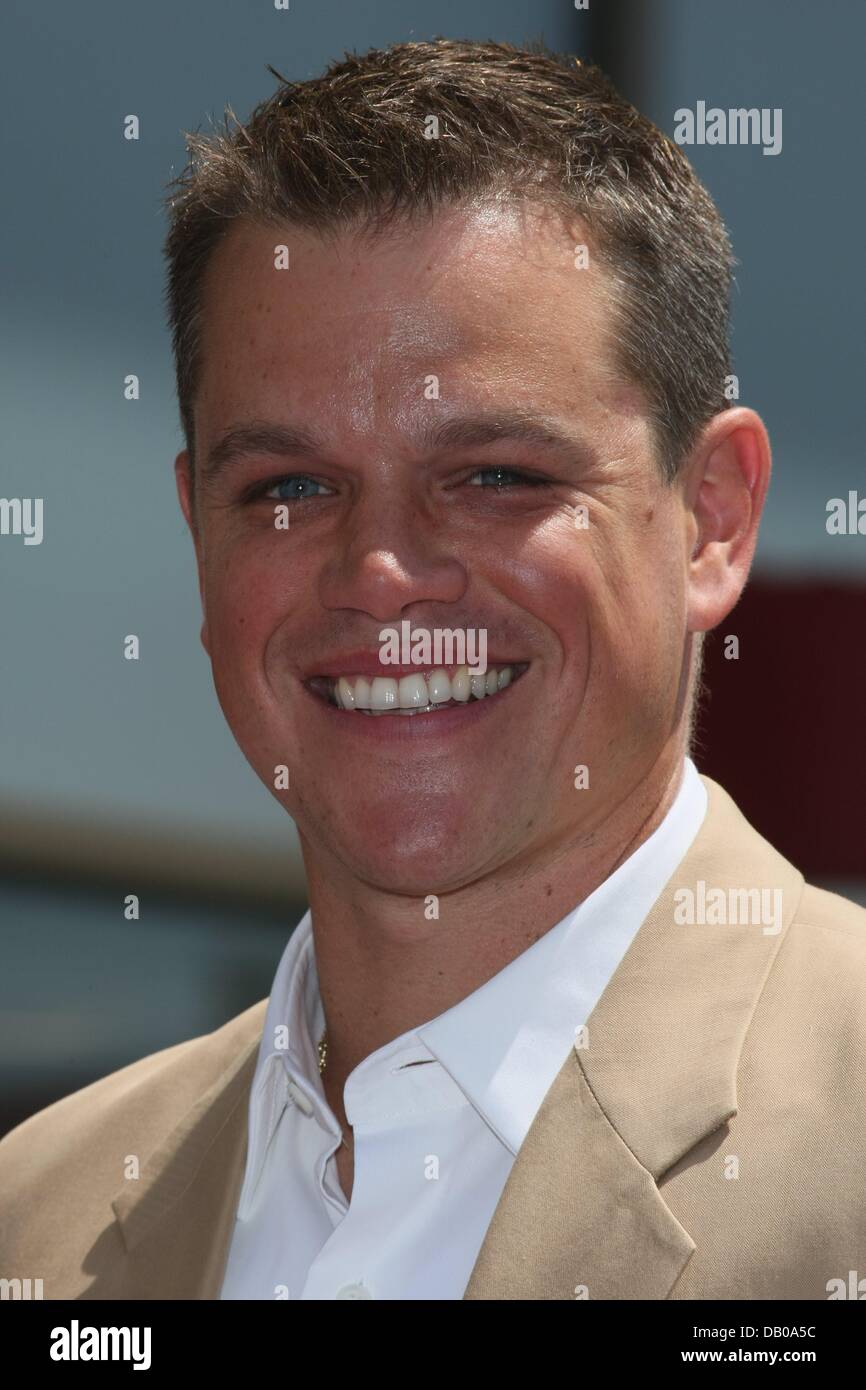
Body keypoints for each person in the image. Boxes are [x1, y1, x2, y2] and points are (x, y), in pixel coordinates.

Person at [1, 37, 864, 1302]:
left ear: (712, 519)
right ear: (200, 537)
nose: (381, 573)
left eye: (495, 476)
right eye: (290, 487)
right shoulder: (37, 1219)